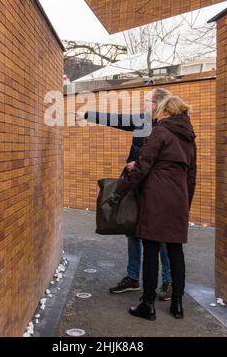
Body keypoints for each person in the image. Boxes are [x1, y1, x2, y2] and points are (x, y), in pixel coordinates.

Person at [75, 88, 173, 300]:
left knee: (162, 236)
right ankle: (132, 278)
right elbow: (117, 119)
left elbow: (168, 161)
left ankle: (168, 281)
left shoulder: (169, 126)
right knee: (132, 230)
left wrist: (139, 163)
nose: (143, 104)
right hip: (137, 184)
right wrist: (88, 115)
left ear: (158, 104)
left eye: (146, 101)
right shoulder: (143, 121)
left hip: (156, 188)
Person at [108, 95, 197, 320]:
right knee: (176, 252)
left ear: (165, 111)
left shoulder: (160, 131)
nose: (153, 114)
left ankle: (147, 305)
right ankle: (177, 304)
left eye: (157, 110)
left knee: (151, 251)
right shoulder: (189, 137)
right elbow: (192, 175)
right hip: (178, 199)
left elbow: (142, 168)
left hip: (156, 198)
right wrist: (186, 204)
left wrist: (119, 193)